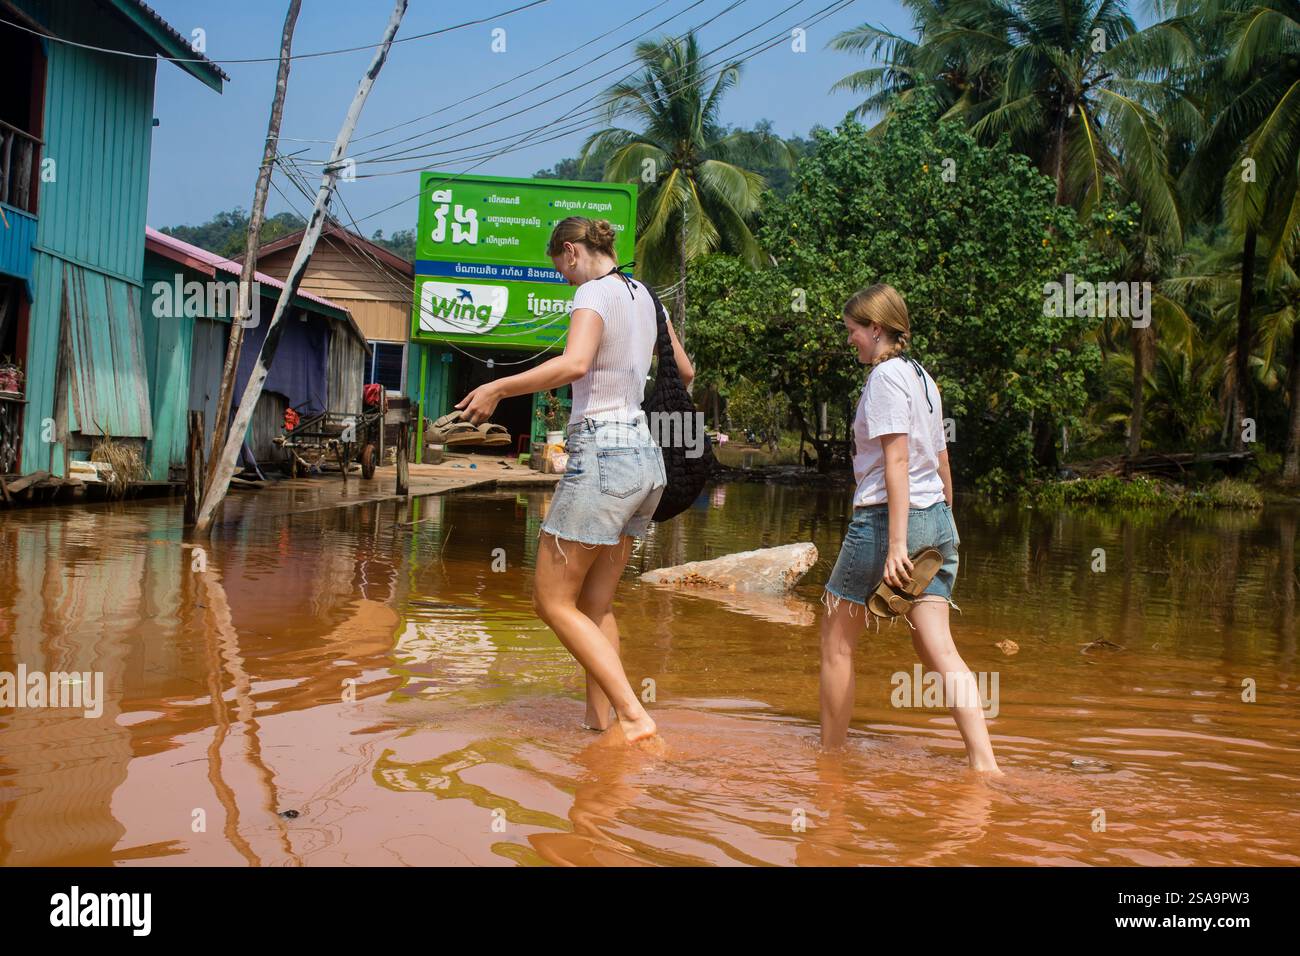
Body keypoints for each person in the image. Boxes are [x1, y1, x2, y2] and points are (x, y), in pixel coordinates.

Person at [455, 216, 694, 744]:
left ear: (570, 252)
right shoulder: (646, 296)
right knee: (595, 606)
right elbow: (685, 372)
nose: (564, 279)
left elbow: (576, 363)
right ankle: (598, 722)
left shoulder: (592, 293)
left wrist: (498, 388)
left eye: (559, 268)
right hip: (644, 460)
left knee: (551, 601)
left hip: (604, 453)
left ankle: (632, 716)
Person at [819, 283, 1001, 774]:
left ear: (875, 328)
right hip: (937, 517)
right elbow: (942, 459)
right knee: (939, 647)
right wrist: (946, 524)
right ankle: (985, 763)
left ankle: (830, 761)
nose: (851, 340)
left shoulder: (883, 380)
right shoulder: (924, 378)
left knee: (836, 642)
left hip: (886, 521)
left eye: (853, 331)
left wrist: (898, 543)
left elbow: (895, 459)